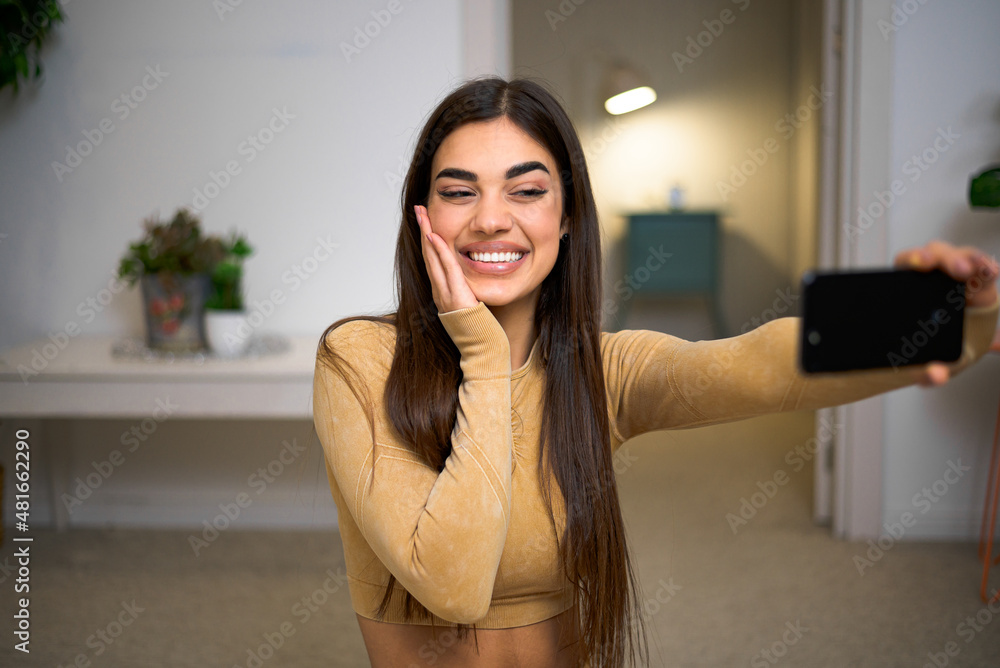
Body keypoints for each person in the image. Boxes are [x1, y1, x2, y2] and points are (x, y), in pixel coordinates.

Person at [312, 76, 1000, 668]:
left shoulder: (602, 370)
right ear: (424, 218)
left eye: (526, 191)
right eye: (460, 193)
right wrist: (486, 358)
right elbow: (452, 585)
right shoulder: (360, 360)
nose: (491, 220)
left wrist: (959, 317)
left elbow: (762, 365)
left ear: (569, 214)